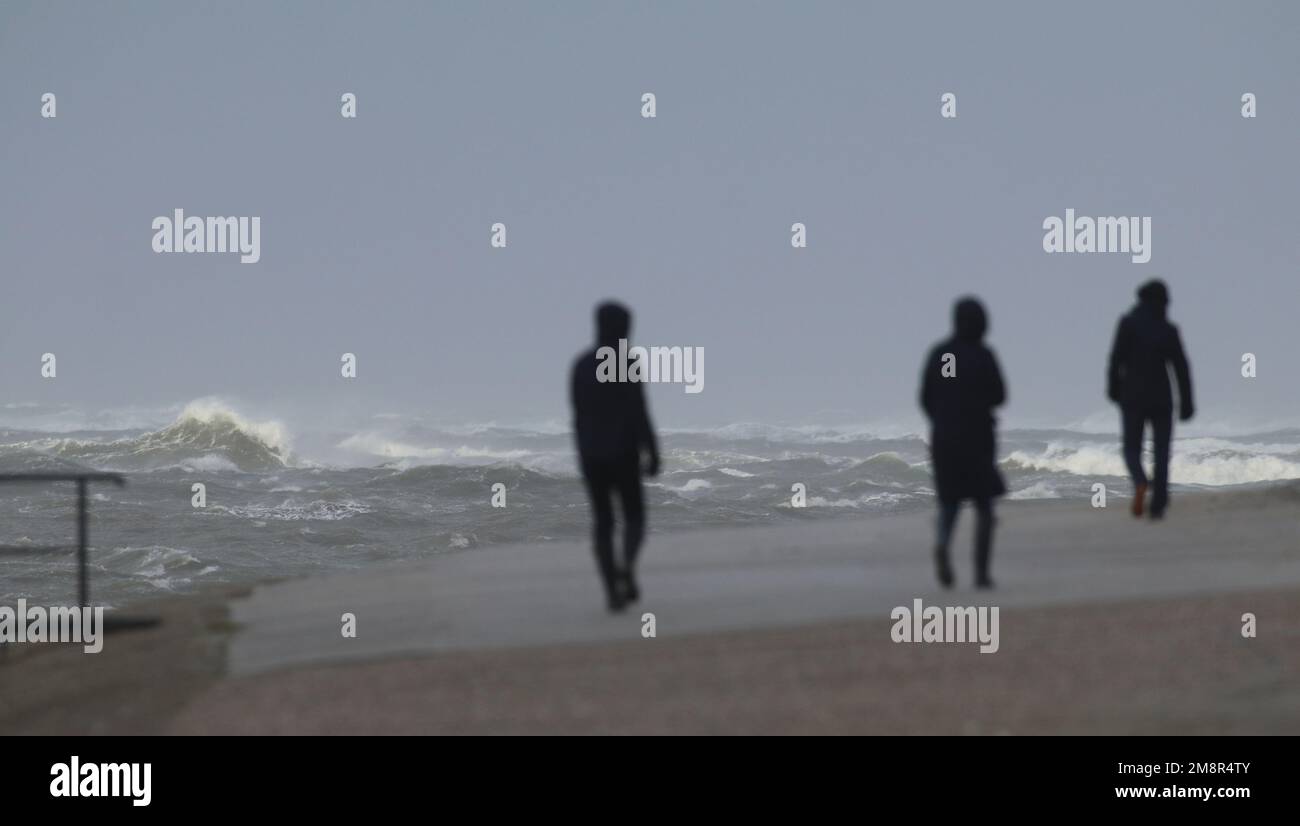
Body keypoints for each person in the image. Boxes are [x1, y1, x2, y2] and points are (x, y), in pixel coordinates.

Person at [571, 301, 661, 612]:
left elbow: (579, 418)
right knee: (634, 517)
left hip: (592, 455)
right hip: (624, 454)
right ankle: (627, 566)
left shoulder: (581, 365)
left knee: (603, 523)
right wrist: (653, 451)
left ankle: (611, 591)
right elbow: (639, 412)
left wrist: (581, 457)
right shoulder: (625, 363)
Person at [920, 297, 1007, 589]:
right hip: (978, 439)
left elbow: (927, 397)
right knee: (984, 505)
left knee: (949, 502)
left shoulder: (942, 354)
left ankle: (943, 545)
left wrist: (943, 421)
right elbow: (999, 395)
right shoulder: (983, 355)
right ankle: (981, 574)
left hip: (945, 439)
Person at [1107, 279, 1194, 519]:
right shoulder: (1168, 329)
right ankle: (1158, 504)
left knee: (1131, 448)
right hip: (1161, 399)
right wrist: (1187, 401)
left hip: (1132, 397)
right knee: (1162, 451)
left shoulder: (1127, 324)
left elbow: (1116, 360)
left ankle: (1140, 481)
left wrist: (1113, 389)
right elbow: (1180, 367)